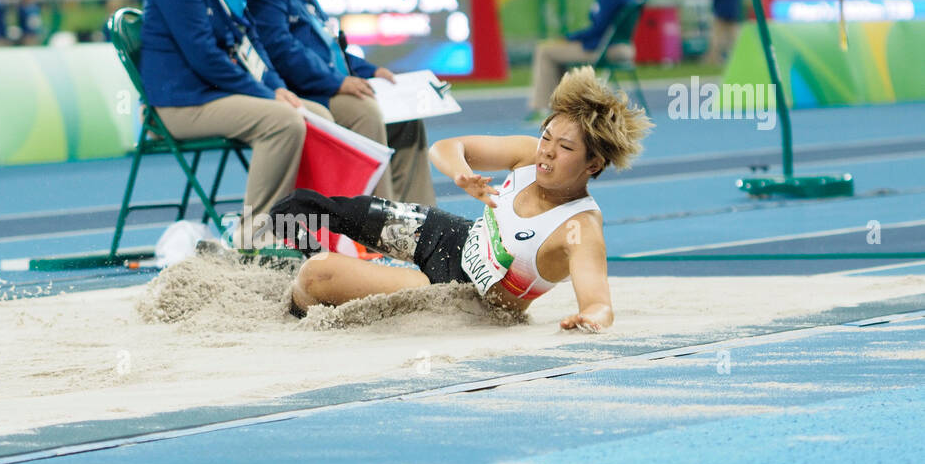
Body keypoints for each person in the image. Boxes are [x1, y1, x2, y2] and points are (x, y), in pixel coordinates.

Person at [272, 66, 653, 332]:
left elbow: (598, 300)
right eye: (546, 137)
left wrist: (590, 318)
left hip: (460, 296)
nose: (547, 153)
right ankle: (269, 255)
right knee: (325, 208)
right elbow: (447, 146)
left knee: (316, 274)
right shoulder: (527, 152)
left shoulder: (578, 229)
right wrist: (460, 173)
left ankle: (298, 310)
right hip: (451, 237)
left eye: (565, 147)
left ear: (594, 164)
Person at [140, 0, 334, 247]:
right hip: (180, 102)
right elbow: (204, 57)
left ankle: (309, 227)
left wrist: (277, 86)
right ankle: (257, 238)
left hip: (211, 94)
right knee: (282, 122)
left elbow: (250, 40)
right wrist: (268, 96)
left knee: (317, 116)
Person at [236, 0, 436, 205]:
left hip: (316, 85)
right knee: (364, 111)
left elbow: (327, 45)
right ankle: (378, 229)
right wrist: (338, 82)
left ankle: (419, 220)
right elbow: (278, 49)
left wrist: (368, 71)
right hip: (292, 91)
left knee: (405, 118)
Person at [527, 0, 637, 118]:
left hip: (608, 48)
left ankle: (542, 109)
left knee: (545, 51)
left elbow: (598, 29)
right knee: (556, 52)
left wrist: (569, 38)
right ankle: (563, 106)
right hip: (620, 45)